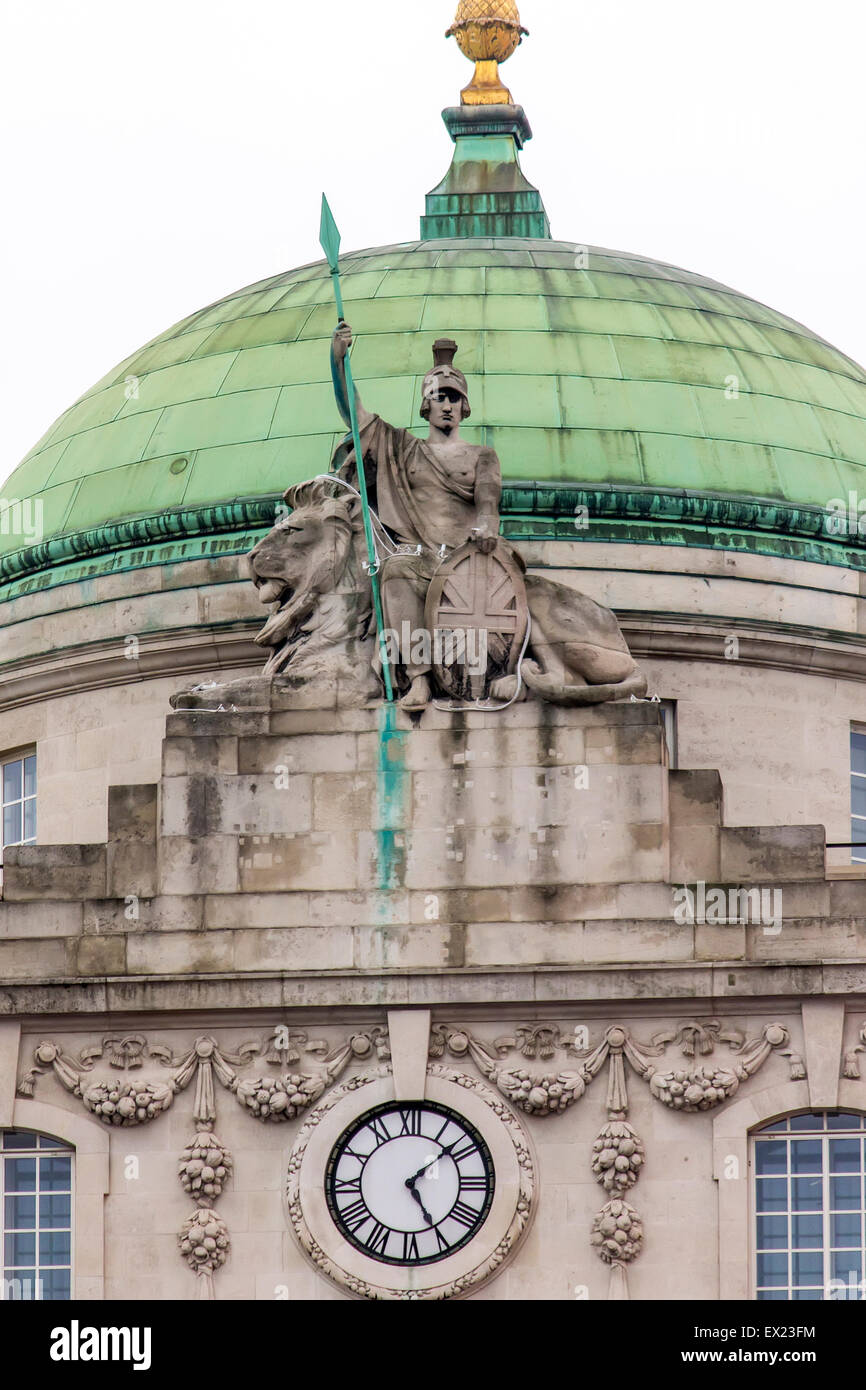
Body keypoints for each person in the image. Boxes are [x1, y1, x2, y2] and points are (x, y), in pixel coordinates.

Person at [330, 323, 504, 710]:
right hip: (420, 558)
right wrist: (339, 361)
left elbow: (488, 507)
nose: (446, 404)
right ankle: (420, 678)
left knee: (405, 567)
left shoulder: (481, 456)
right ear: (426, 405)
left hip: (466, 561)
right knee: (395, 570)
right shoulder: (402, 448)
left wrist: (486, 529)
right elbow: (355, 417)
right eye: (438, 397)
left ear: (464, 407)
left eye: (454, 398)